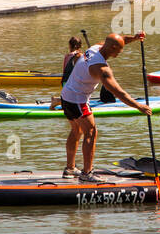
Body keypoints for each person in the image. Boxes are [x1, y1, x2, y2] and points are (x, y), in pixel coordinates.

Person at [59, 32, 151, 181]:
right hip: (78, 100)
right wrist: (139, 106)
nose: (121, 52)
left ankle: (70, 169)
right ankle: (87, 174)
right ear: (113, 48)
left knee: (76, 130)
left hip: (66, 96)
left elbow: (119, 40)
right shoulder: (101, 69)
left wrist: (133, 38)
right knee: (91, 131)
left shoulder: (96, 48)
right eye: (119, 50)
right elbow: (119, 93)